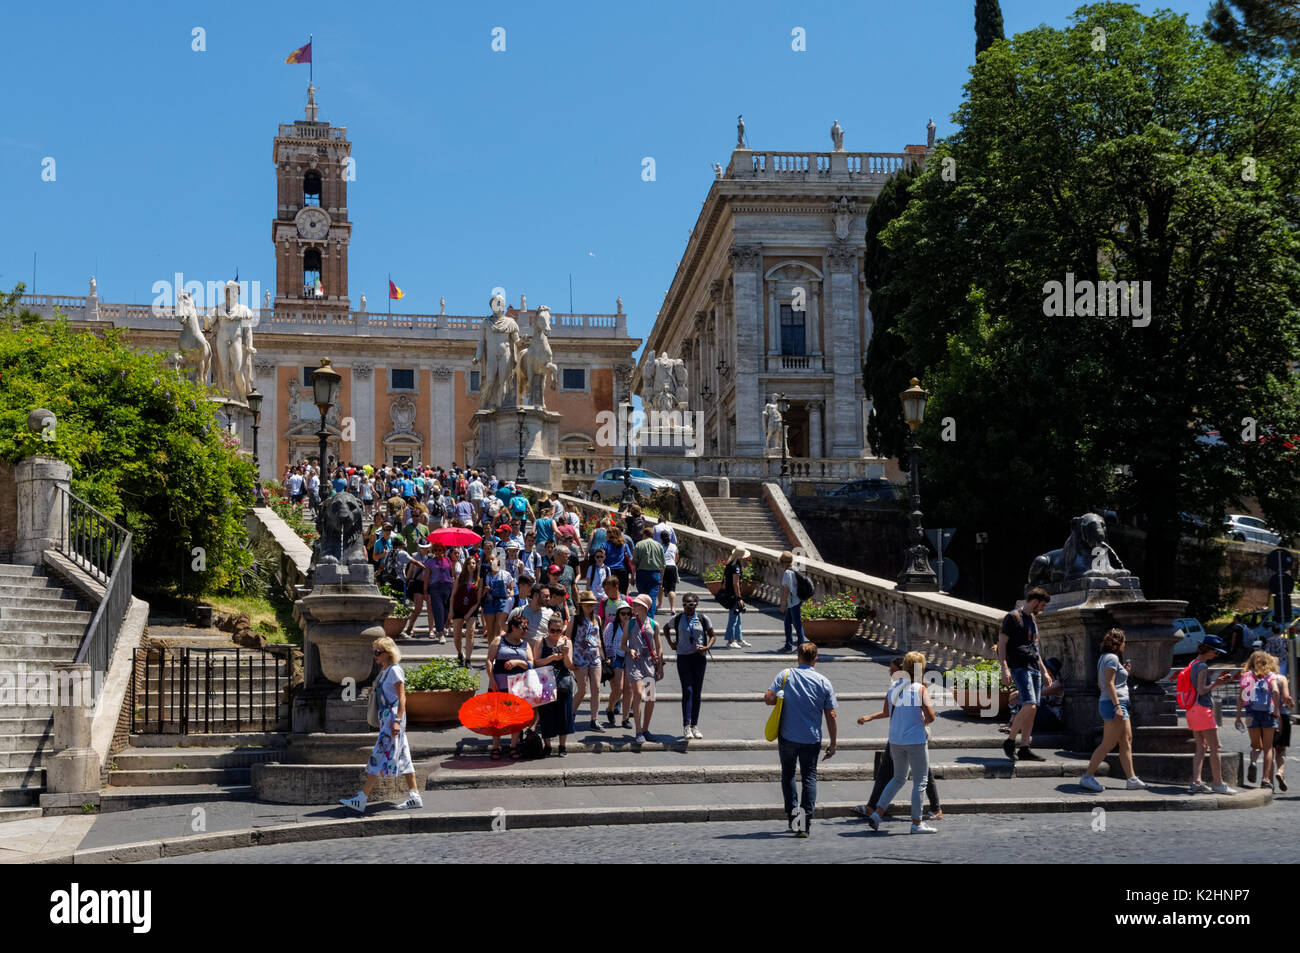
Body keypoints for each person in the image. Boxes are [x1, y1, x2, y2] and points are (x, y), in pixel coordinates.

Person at [339, 637, 422, 813]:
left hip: (393, 718)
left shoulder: (394, 671)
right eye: (374, 651)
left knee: (377, 755)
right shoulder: (385, 671)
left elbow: (402, 698)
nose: (374, 655)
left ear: (388, 653)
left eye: (378, 651)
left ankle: (361, 798)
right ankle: (415, 796)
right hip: (388, 718)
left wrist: (398, 720)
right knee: (404, 757)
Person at [764, 642, 838, 837]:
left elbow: (768, 699)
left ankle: (793, 816)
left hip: (787, 735)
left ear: (798, 657)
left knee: (788, 774)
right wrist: (833, 743)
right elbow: (831, 715)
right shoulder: (823, 681)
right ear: (815, 659)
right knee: (809, 777)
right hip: (811, 738)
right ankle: (805, 822)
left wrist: (779, 697)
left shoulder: (785, 675)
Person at [856, 657, 942, 822]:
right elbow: (931, 717)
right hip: (915, 739)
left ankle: (876, 812)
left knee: (897, 778)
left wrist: (870, 717)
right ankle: (917, 823)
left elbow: (887, 711)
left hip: (895, 739)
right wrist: (921, 721)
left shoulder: (893, 688)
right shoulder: (920, 688)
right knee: (920, 781)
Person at [1079, 629, 1147, 792]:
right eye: (1124, 642)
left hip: (1115, 703)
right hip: (1114, 705)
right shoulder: (1111, 658)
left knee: (1126, 741)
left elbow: (1102, 684)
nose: (1125, 645)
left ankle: (1131, 779)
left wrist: (1124, 673)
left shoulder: (1106, 658)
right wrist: (1117, 706)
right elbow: (1108, 684)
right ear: (1118, 643)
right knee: (1108, 743)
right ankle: (1087, 776)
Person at [998, 587, 1054, 762]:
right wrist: (1004, 668)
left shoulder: (1033, 620)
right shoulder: (1013, 617)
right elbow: (1001, 644)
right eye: (1042, 605)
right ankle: (1010, 740)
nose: (1043, 608)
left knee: (1032, 709)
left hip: (1034, 668)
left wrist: (1044, 672)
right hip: (1020, 667)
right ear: (1036, 602)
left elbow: (1035, 650)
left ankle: (1024, 748)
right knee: (1030, 704)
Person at [1183, 635, 1239, 794]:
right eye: (1216, 652)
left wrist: (1215, 682)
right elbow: (1202, 690)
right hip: (1202, 709)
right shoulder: (1202, 667)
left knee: (1201, 747)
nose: (1217, 655)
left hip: (1192, 709)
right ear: (1208, 650)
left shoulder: (1192, 664)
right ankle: (1218, 783)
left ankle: (1196, 781)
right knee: (1216, 747)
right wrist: (1217, 683)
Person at [664, 592, 715, 738]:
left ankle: (695, 725)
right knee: (687, 690)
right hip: (683, 658)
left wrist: (706, 647)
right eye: (685, 604)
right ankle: (686, 725)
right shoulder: (678, 618)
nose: (687, 607)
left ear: (696, 605)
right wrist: (671, 643)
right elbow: (666, 628)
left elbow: (713, 635)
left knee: (697, 692)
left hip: (699, 658)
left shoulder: (703, 618)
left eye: (691, 604)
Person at [486, 615, 534, 760]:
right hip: (498, 684)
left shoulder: (525, 644)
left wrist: (517, 662)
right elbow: (489, 660)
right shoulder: (499, 640)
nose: (525, 630)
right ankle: (496, 746)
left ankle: (513, 746)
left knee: (516, 717)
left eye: (527, 627)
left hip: (518, 686)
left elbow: (531, 663)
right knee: (497, 717)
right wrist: (492, 679)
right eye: (523, 627)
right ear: (513, 627)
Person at [1236, 650, 1282, 789]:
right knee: (1268, 748)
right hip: (1268, 713)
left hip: (1251, 713)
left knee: (1256, 746)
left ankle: (1253, 762)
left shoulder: (1246, 676)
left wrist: (1238, 716)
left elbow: (1241, 697)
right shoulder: (1270, 676)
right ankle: (1265, 779)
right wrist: (1276, 710)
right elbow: (1275, 691)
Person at [622, 593, 661, 744]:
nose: (634, 606)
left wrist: (660, 663)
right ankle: (638, 731)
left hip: (649, 663)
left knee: (650, 697)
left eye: (637, 604)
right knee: (638, 693)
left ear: (645, 606)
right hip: (634, 661)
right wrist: (629, 650)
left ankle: (645, 729)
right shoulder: (630, 623)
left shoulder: (653, 624)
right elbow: (623, 644)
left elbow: (658, 646)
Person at [535, 616, 576, 756]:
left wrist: (565, 655)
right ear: (548, 629)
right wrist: (551, 658)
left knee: (563, 713)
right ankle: (547, 745)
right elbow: (536, 662)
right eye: (552, 630)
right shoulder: (541, 641)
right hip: (546, 681)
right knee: (546, 714)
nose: (555, 633)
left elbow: (570, 666)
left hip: (562, 681)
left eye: (558, 630)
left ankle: (562, 746)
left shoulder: (566, 642)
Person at [570, 590, 606, 733]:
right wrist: (569, 658)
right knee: (583, 689)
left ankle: (594, 719)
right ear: (581, 606)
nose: (590, 607)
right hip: (580, 657)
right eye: (587, 605)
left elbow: (599, 638)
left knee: (596, 688)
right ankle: (571, 714)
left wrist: (604, 655)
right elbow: (567, 639)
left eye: (592, 605)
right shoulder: (575, 620)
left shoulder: (597, 618)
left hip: (595, 656)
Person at [481, 554, 516, 667]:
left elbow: (513, 588)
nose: (491, 562)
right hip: (490, 602)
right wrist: (485, 591)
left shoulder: (506, 574)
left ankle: (497, 654)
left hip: (502, 602)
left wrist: (509, 597)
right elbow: (481, 593)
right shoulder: (487, 575)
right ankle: (491, 653)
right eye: (489, 560)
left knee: (498, 628)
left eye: (493, 559)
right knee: (490, 630)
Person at [603, 598, 632, 728]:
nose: (626, 616)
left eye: (628, 613)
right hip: (616, 657)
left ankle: (625, 718)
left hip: (630, 658)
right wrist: (608, 658)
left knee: (629, 689)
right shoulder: (611, 626)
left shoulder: (633, 625)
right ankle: (610, 708)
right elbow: (606, 643)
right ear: (618, 614)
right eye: (623, 613)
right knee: (618, 689)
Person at [450, 556, 482, 667]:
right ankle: (460, 654)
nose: (471, 565)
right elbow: (453, 595)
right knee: (457, 635)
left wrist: (469, 613)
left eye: (473, 563)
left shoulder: (479, 580)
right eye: (469, 563)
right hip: (458, 608)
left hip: (471, 609)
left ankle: (468, 659)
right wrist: (450, 611)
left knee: (470, 633)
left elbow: (478, 601)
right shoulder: (460, 578)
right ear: (466, 565)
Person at [631, 528, 665, 617]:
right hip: (655, 573)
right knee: (652, 597)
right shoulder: (659, 545)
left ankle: (642, 616)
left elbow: (634, 562)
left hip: (642, 573)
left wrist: (632, 576)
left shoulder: (639, 544)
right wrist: (661, 578)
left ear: (644, 535)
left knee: (642, 596)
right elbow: (663, 564)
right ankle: (650, 618)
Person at [723, 546, 752, 648]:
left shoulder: (730, 564)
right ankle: (730, 641)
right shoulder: (736, 567)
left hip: (730, 594)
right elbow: (736, 584)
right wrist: (739, 598)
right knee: (733, 619)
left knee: (738, 618)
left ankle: (739, 639)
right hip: (734, 596)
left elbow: (727, 582)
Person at [779, 550, 804, 653]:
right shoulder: (795, 569)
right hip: (797, 600)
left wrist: (783, 604)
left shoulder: (787, 572)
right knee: (787, 623)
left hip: (792, 602)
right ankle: (788, 645)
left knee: (797, 624)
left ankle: (800, 647)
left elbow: (787, 590)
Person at [1274, 668, 1292, 792]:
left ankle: (1268, 782)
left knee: (1268, 750)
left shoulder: (1261, 678)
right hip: (1282, 715)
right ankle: (1280, 771)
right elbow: (1287, 699)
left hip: (1266, 715)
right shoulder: (1281, 678)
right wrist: (1292, 704)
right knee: (1281, 750)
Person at [604, 527, 632, 595]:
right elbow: (630, 558)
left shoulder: (605, 545)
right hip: (622, 571)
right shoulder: (624, 545)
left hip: (609, 571)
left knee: (610, 593)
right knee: (623, 594)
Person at [660, 534, 679, 614]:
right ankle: (672, 608)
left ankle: (659, 604)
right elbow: (677, 556)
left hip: (663, 567)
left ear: (661, 538)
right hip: (672, 567)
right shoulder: (674, 546)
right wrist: (674, 563)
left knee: (660, 586)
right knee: (672, 589)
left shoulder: (659, 546)